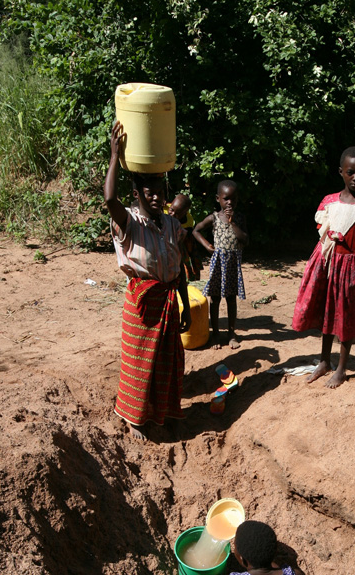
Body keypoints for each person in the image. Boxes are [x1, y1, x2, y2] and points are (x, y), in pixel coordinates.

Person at [104, 121, 191, 441]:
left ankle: (165, 412)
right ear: (137, 194)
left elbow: (178, 268)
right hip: (144, 303)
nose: (156, 197)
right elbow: (110, 199)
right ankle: (133, 418)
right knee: (140, 362)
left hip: (168, 300)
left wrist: (184, 304)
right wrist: (115, 155)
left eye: (161, 192)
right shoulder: (129, 222)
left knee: (169, 361)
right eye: (149, 192)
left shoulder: (171, 225)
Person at [292, 146, 355, 388]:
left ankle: (342, 368)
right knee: (327, 313)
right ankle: (325, 361)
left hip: (351, 269)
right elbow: (322, 235)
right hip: (326, 265)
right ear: (341, 172)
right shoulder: (328, 203)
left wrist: (353, 239)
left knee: (345, 318)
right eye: (350, 172)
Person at [193, 179, 249, 349]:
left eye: (233, 198)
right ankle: (216, 334)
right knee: (215, 299)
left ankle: (231, 334)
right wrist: (206, 245)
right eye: (226, 198)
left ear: (237, 199)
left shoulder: (239, 219)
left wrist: (232, 223)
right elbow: (196, 230)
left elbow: (245, 240)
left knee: (231, 299)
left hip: (232, 265)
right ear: (218, 199)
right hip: (218, 265)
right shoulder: (214, 218)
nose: (229, 202)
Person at [165, 192, 203, 281]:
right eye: (172, 210)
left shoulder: (188, 220)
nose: (173, 214)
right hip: (168, 242)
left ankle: (191, 277)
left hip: (182, 243)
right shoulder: (165, 208)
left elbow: (187, 236)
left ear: (185, 213)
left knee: (186, 263)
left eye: (178, 213)